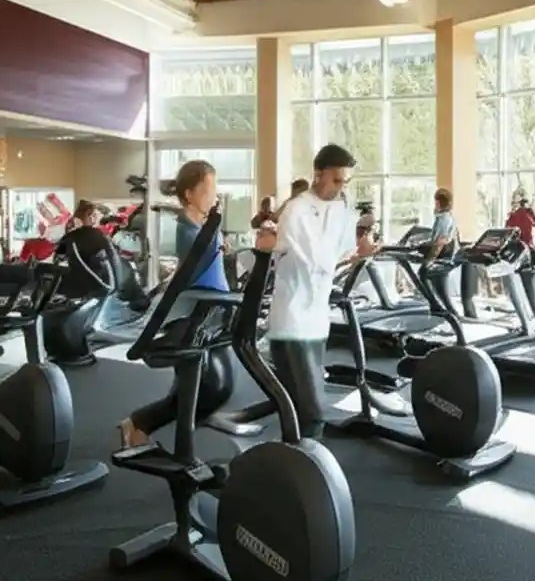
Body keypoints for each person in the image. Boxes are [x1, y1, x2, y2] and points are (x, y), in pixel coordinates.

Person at [258, 144, 379, 438]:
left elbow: (336, 257)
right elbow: (316, 260)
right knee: (311, 411)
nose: (341, 188)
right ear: (318, 174)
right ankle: (305, 471)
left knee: (301, 407)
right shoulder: (296, 209)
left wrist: (360, 253)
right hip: (291, 319)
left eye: (346, 182)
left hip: (315, 318)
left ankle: (292, 466)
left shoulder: (340, 209)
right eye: (336, 180)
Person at [117, 160, 231, 449]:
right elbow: (190, 269)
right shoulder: (187, 229)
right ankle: (141, 424)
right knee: (204, 386)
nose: (214, 196)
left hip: (213, 313)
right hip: (195, 315)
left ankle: (143, 424)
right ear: (190, 194)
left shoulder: (205, 227)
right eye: (208, 189)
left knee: (215, 385)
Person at [424, 188, 459, 263]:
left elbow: (439, 244)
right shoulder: (448, 217)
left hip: (442, 261)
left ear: (438, 203)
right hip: (446, 260)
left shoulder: (444, 220)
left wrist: (428, 262)